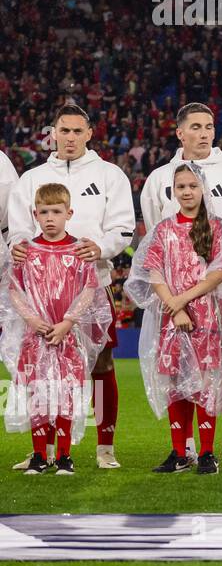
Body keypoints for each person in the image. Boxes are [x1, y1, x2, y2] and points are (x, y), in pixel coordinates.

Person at [7, 104, 134, 470]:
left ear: (89, 133)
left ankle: (105, 447)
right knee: (40, 368)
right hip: (38, 292)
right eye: (64, 131)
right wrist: (18, 243)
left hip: (91, 284)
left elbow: (123, 228)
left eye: (78, 131)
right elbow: (17, 226)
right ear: (53, 133)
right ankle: (44, 450)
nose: (71, 138)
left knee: (102, 363)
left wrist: (101, 248)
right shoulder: (31, 179)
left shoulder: (110, 175)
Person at [141, 103, 222, 467]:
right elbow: (155, 235)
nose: (205, 133)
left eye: (209, 126)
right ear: (180, 132)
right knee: (176, 370)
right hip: (171, 298)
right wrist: (175, 294)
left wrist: (215, 269)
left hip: (216, 293)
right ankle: (185, 449)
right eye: (196, 126)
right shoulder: (159, 178)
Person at [125, 163, 222, 475]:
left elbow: (218, 273)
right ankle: (180, 453)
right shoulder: (163, 230)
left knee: (205, 383)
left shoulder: (216, 227)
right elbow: (153, 273)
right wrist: (174, 308)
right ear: (173, 192)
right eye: (181, 187)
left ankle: (206, 453)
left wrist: (182, 301)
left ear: (202, 189)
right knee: (175, 384)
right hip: (172, 318)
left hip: (205, 317)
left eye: (192, 186)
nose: (187, 192)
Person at [0, 183, 112, 475]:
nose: (50, 217)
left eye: (56, 211)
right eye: (44, 212)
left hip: (68, 336)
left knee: (66, 395)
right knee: (38, 394)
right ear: (34, 214)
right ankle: (39, 456)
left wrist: (68, 322)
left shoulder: (79, 251)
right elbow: (14, 290)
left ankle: (64, 456)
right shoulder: (27, 252)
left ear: (69, 213)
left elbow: (89, 290)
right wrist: (33, 320)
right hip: (34, 336)